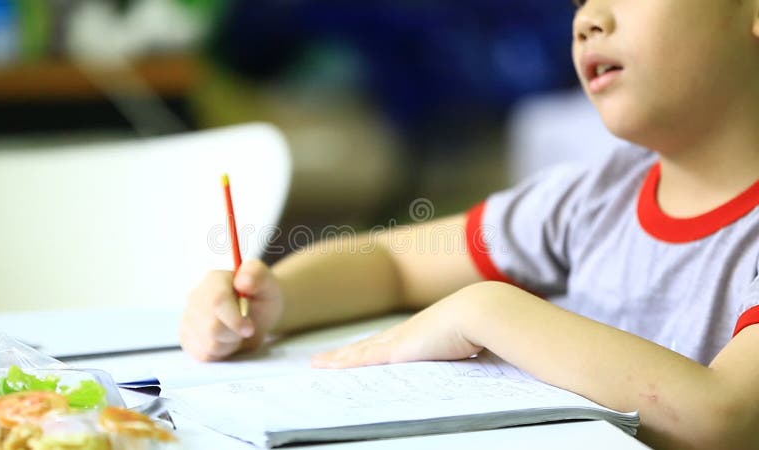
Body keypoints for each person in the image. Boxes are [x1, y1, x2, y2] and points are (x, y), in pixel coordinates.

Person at [180, 0, 759, 448]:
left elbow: (723, 420)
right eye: (582, 0)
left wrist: (487, 311)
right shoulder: (594, 198)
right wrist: (278, 296)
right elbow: (394, 260)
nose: (588, 22)